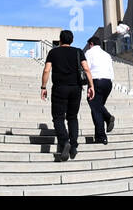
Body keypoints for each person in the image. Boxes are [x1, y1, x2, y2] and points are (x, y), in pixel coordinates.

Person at [41, 30, 95, 161]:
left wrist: (43, 86)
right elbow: (86, 69)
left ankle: (65, 142)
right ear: (72, 40)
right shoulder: (78, 51)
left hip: (59, 88)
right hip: (75, 88)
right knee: (72, 117)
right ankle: (74, 146)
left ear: (60, 40)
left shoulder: (53, 52)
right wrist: (91, 86)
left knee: (58, 117)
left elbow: (47, 69)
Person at [83, 35, 116, 143]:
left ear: (91, 44)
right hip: (108, 82)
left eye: (88, 45)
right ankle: (99, 136)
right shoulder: (107, 55)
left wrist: (89, 84)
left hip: (96, 81)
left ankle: (107, 119)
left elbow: (86, 69)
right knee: (96, 109)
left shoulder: (89, 53)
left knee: (95, 106)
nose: (88, 47)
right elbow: (111, 71)